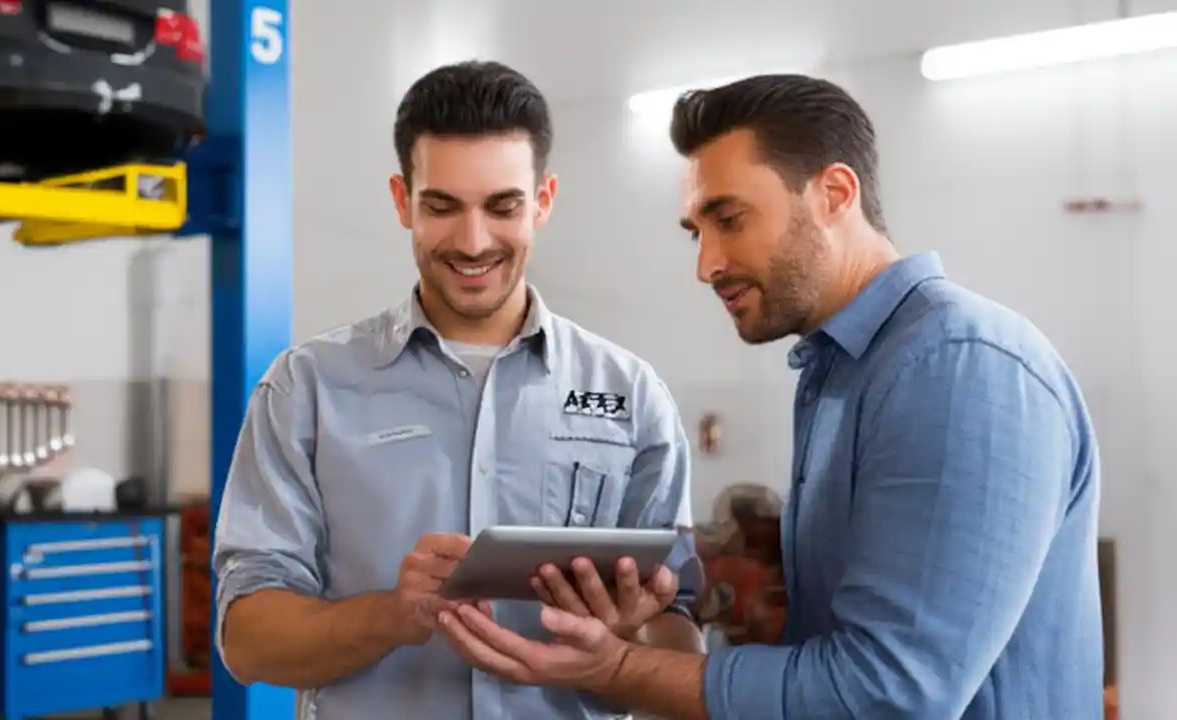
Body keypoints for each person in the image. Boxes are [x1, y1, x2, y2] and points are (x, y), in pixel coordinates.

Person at [436, 73, 1104, 720]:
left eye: (729, 219)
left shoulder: (958, 367)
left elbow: (890, 695)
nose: (707, 264)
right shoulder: (845, 374)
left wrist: (616, 671)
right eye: (697, 231)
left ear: (835, 193)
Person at [211, 59, 704, 719]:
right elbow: (247, 642)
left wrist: (628, 634)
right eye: (442, 207)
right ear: (401, 200)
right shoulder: (307, 388)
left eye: (503, 207)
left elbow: (678, 634)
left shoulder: (631, 395)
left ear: (544, 202)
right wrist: (393, 614)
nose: (473, 242)